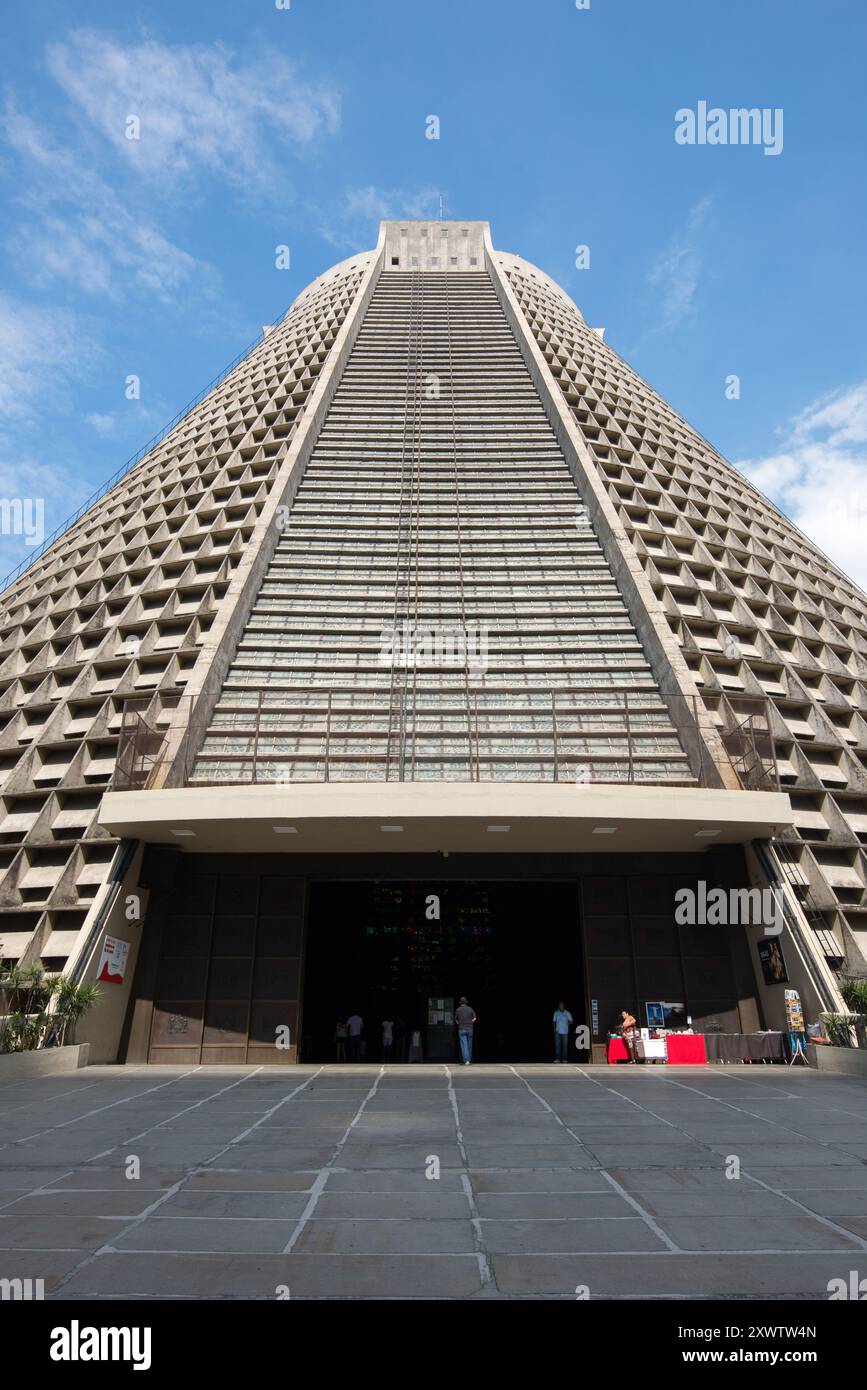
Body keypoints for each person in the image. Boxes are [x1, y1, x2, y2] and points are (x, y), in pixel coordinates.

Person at [455, 996, 476, 1065]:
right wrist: (471, 1022)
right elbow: (474, 1018)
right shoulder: (470, 1009)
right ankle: (469, 1059)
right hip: (470, 1028)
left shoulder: (458, 1010)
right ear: (466, 1002)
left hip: (462, 1029)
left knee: (464, 1044)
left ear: (460, 1003)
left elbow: (456, 1019)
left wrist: (459, 1024)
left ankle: (466, 1060)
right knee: (469, 1045)